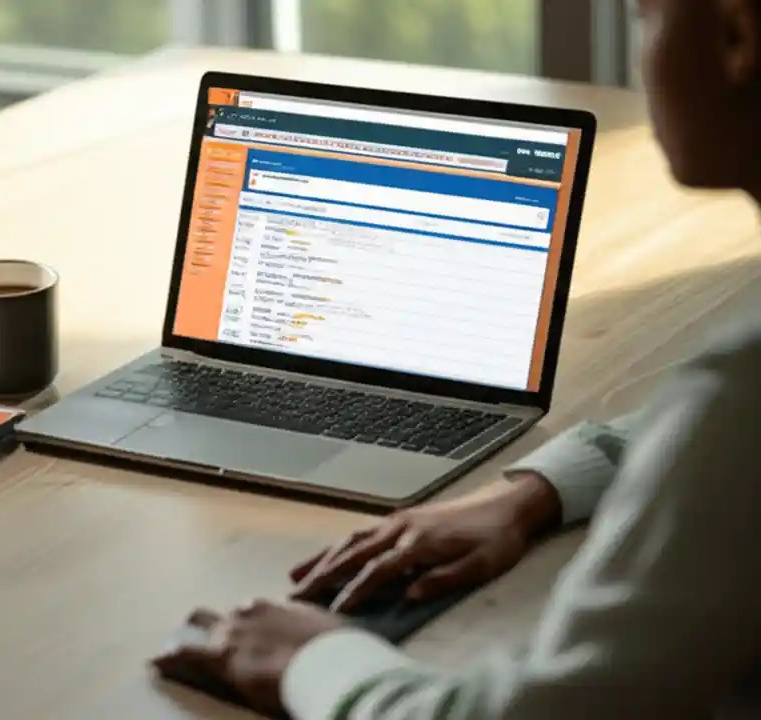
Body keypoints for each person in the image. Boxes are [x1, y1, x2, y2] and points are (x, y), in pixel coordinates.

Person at [152, 0, 761, 717]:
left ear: (734, 36)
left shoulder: (735, 393)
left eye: (645, 15)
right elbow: (716, 447)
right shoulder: (731, 407)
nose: (639, 53)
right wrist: (534, 492)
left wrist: (310, 659)